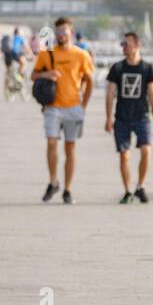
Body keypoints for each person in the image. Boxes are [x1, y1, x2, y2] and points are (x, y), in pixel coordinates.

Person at [31, 17, 95, 204]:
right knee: (51, 143)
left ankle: (67, 188)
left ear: (71, 33)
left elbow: (89, 80)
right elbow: (33, 75)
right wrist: (46, 74)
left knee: (70, 148)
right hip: (52, 107)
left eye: (64, 32)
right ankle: (53, 181)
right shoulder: (47, 54)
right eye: (57, 32)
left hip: (74, 107)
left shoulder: (81, 55)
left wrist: (85, 105)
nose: (60, 35)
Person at [104, 31, 153, 204]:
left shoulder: (147, 68)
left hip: (142, 116)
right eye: (122, 44)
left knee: (146, 150)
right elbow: (110, 93)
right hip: (122, 117)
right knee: (124, 155)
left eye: (127, 43)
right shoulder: (117, 68)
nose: (124, 47)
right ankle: (128, 190)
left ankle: (140, 186)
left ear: (137, 45)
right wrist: (108, 118)